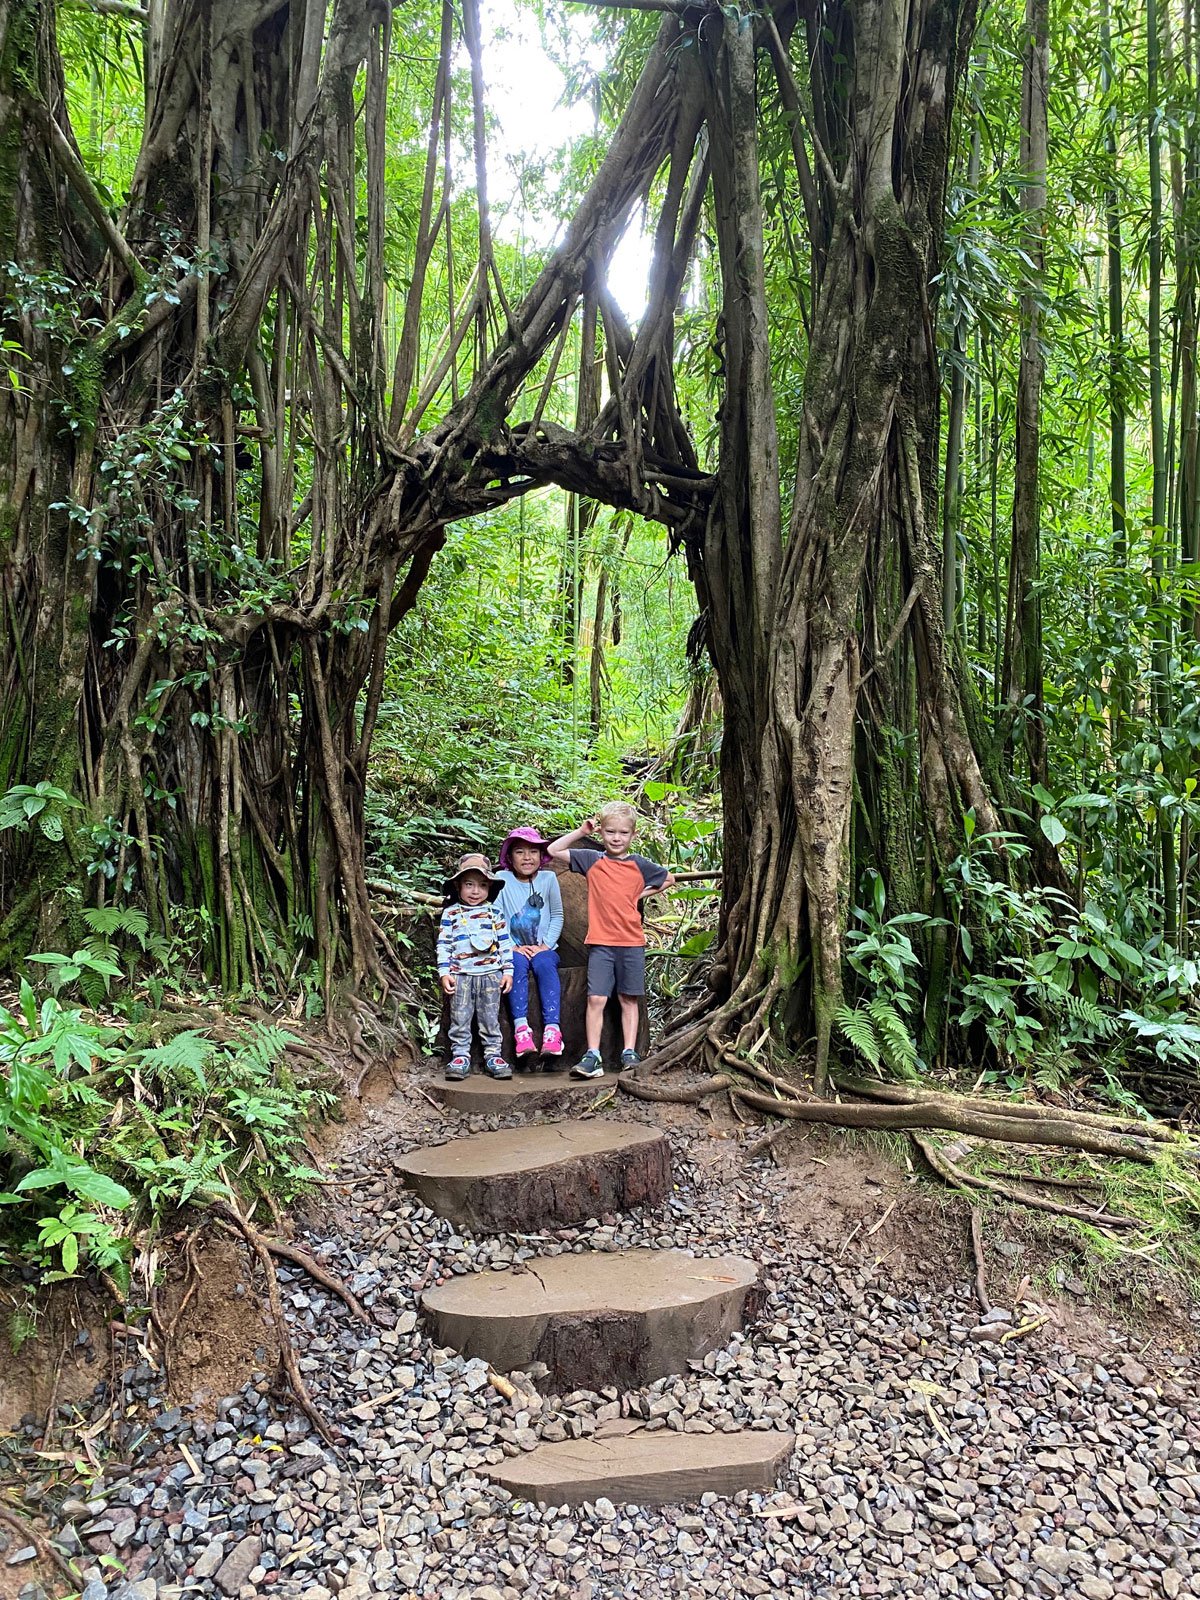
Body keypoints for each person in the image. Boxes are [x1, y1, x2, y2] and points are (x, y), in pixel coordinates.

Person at [548, 802, 674, 1079]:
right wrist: (581, 831)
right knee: (596, 998)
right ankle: (593, 1054)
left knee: (629, 997)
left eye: (623, 833)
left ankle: (629, 1051)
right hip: (601, 943)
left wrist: (641, 895)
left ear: (633, 835)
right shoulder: (592, 860)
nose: (617, 838)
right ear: (602, 833)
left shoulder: (639, 865)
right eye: (610, 832)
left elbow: (668, 878)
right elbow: (553, 851)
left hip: (631, 942)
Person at [436, 853, 514, 1082]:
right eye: (469, 885)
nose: (475, 891)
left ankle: (493, 1055)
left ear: (489, 887)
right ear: (458, 886)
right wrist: (444, 973)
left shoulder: (495, 913)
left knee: (490, 1016)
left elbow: (505, 943)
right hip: (461, 975)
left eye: (481, 885)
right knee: (460, 1016)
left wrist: (508, 971)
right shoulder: (451, 914)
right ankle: (460, 1055)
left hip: (490, 974)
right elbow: (444, 944)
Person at [496, 827, 565, 1066]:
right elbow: (497, 916)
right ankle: (521, 1030)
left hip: (544, 949)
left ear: (541, 855)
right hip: (513, 948)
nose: (527, 857)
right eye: (520, 852)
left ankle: (552, 1030)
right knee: (515, 966)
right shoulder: (502, 880)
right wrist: (511, 947)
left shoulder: (548, 879)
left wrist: (546, 945)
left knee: (546, 965)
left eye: (533, 851)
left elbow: (556, 914)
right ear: (509, 857)